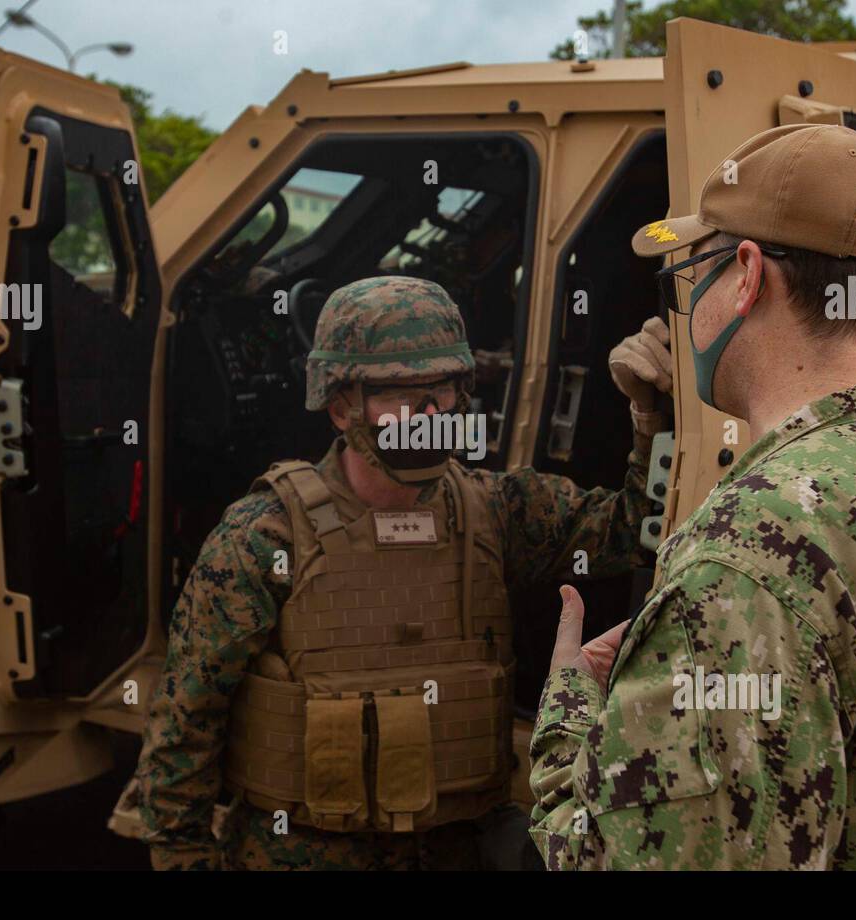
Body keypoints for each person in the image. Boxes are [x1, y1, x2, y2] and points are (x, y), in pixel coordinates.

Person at [529, 124, 856, 870]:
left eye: (691, 278)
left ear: (747, 273)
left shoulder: (744, 551)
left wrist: (569, 707)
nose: (686, 313)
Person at [134, 274, 664, 869]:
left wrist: (653, 416)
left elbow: (637, 528)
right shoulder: (265, 536)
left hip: (460, 847)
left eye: (441, 388)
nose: (428, 411)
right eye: (400, 393)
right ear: (340, 407)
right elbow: (184, 730)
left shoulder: (495, 509)